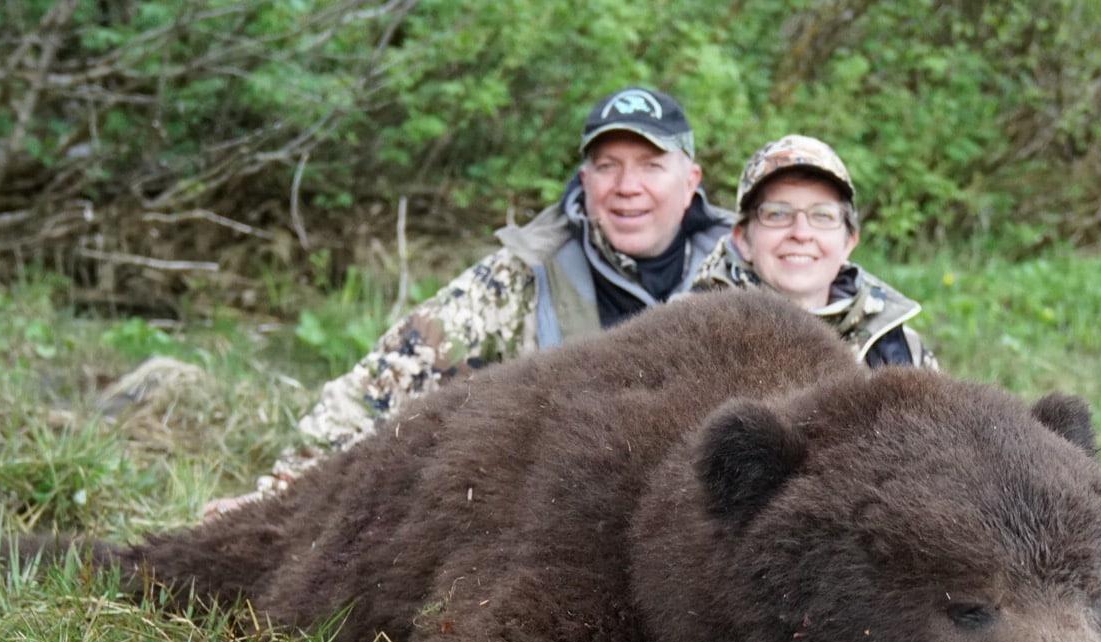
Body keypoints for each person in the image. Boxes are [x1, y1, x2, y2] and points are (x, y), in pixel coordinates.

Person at [206, 86, 734, 514]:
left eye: (650, 165)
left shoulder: (747, 270)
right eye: (607, 165)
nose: (627, 186)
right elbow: (384, 383)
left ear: (690, 181)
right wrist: (276, 497)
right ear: (584, 179)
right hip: (567, 513)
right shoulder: (523, 275)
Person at [691, 134, 931, 368]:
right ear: (743, 239)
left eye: (822, 215)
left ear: (849, 241)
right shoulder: (691, 332)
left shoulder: (899, 350)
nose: (801, 233)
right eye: (777, 214)